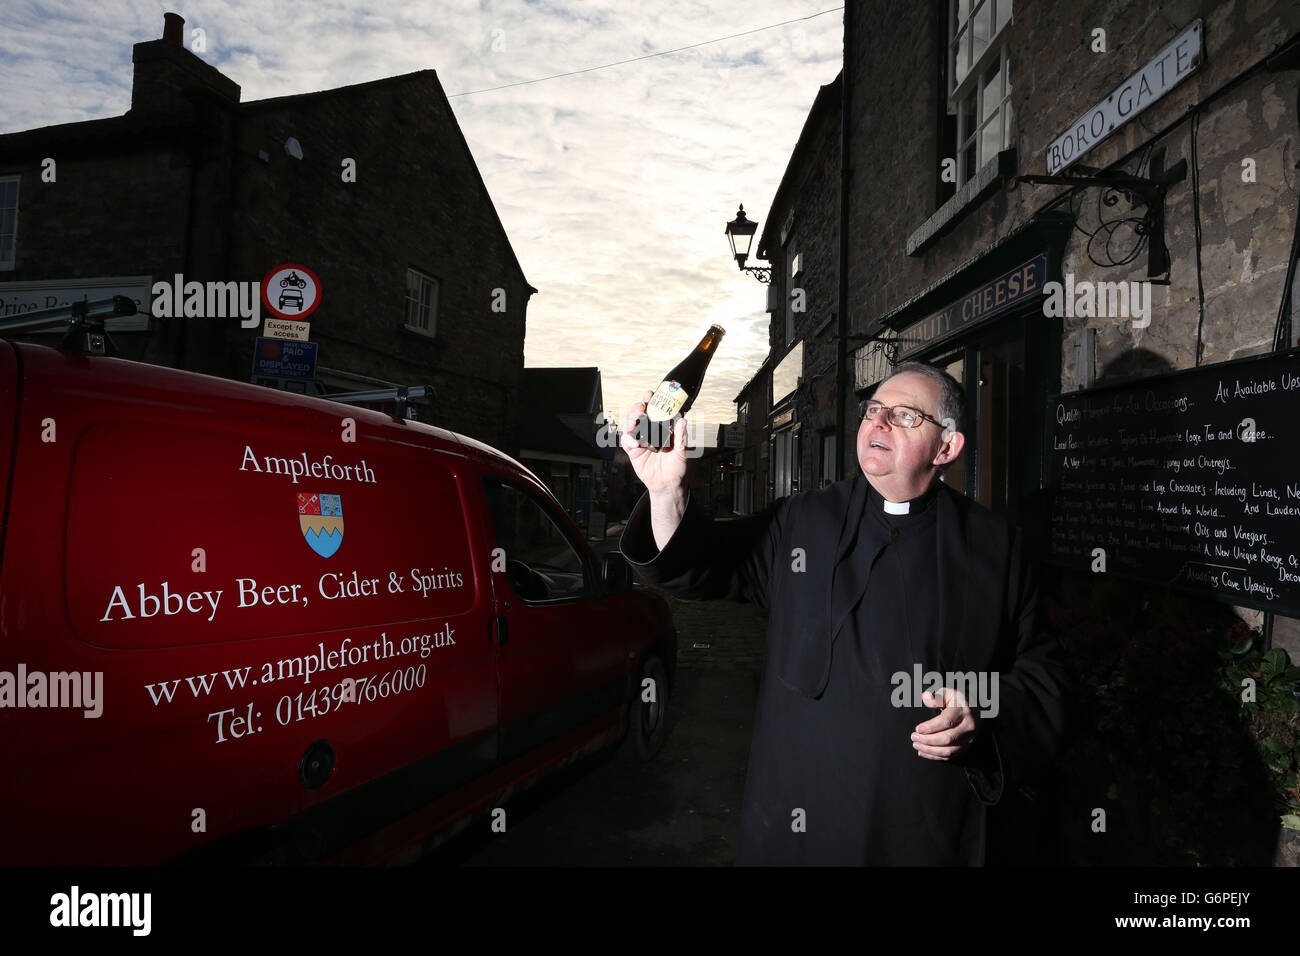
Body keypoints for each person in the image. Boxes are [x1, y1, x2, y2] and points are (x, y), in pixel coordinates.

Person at [618, 361, 1069, 865]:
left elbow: (1044, 679)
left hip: (922, 828)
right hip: (797, 821)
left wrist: (984, 709)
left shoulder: (997, 548)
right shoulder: (802, 520)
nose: (878, 423)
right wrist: (666, 491)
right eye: (874, 409)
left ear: (947, 448)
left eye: (905, 416)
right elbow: (698, 567)